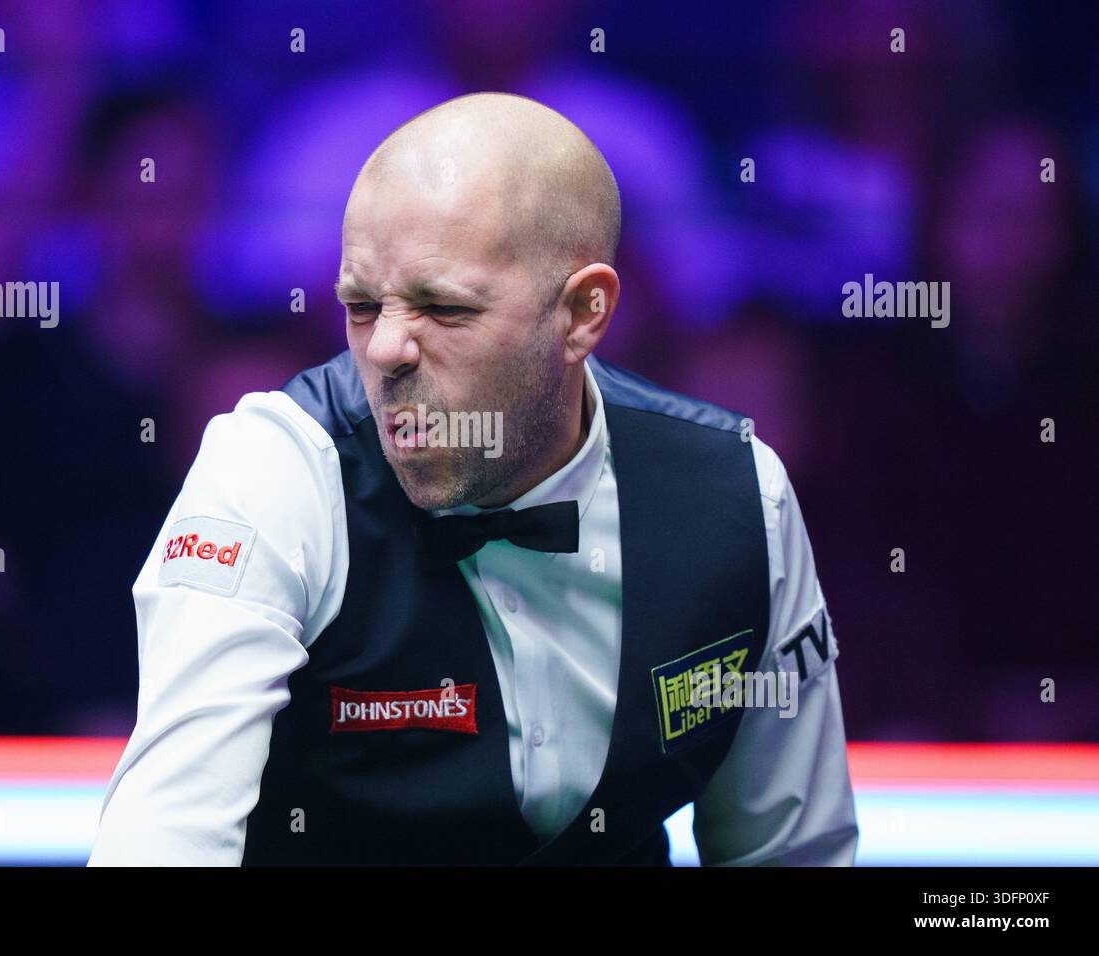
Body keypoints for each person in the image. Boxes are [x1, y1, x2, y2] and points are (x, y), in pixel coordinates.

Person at [89, 92, 857, 866]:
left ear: (584, 313)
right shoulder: (276, 474)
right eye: (361, 305)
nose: (387, 349)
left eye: (443, 308)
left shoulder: (736, 499)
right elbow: (162, 847)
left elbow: (793, 856)